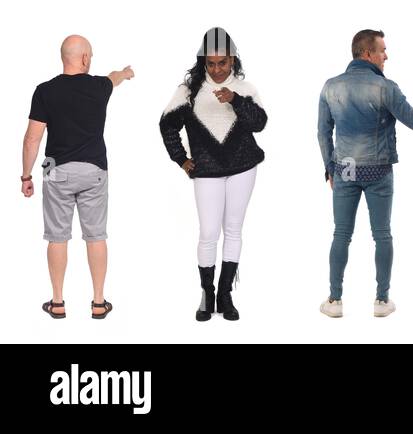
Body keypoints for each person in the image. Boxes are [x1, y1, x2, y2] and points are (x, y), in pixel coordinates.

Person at [317, 29, 413, 318]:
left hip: (344, 169)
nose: (386, 56)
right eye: (382, 50)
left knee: (341, 234)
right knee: (381, 234)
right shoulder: (387, 88)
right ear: (367, 53)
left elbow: (322, 132)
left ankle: (334, 301)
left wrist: (330, 168)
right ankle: (382, 301)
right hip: (378, 170)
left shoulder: (330, 86)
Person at [160, 27, 268, 322]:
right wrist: (181, 159)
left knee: (233, 229)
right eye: (211, 63)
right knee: (208, 232)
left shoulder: (246, 89)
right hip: (206, 169)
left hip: (243, 167)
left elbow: (259, 123)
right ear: (203, 62)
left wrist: (235, 99)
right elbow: (167, 125)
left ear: (233, 60)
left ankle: (225, 293)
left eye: (223, 63)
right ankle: (206, 293)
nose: (217, 69)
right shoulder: (189, 91)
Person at [22, 35, 134, 319]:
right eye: (91, 55)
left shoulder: (44, 91)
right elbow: (113, 77)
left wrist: (26, 176)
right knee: (96, 236)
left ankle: (57, 303)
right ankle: (98, 303)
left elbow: (32, 139)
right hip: (95, 169)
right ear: (85, 58)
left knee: (57, 238)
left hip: (54, 169)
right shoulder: (98, 87)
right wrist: (125, 72)